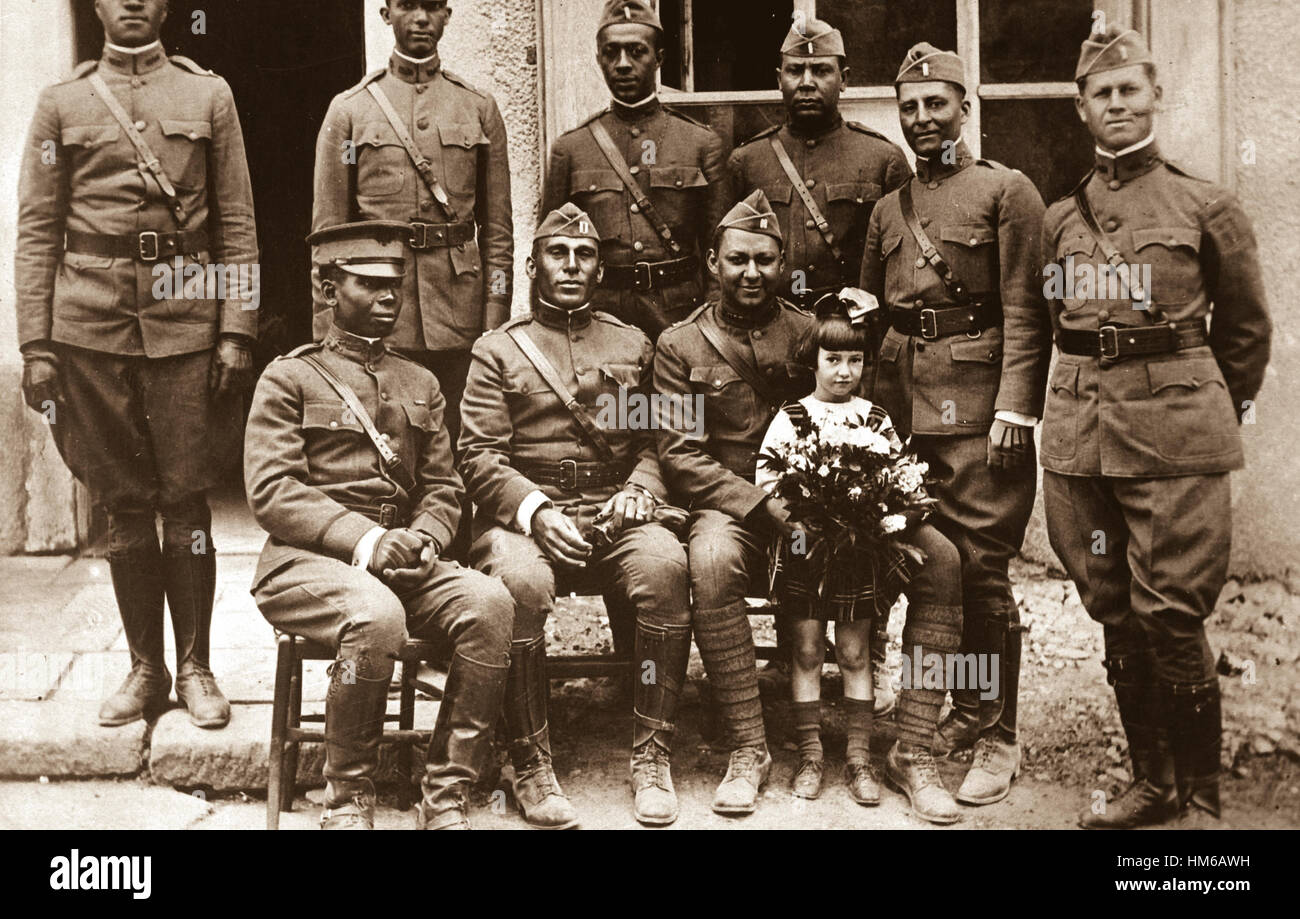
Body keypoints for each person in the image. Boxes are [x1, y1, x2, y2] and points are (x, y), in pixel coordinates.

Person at [1039, 28, 1271, 828]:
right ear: (1080, 108)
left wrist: (1202, 407)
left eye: (1128, 89)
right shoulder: (1060, 217)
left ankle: (1201, 798)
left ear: (1155, 94)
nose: (1115, 103)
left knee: (1171, 611)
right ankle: (1152, 782)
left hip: (1176, 438)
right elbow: (1049, 322)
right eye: (1100, 93)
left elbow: (1244, 331)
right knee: (1111, 605)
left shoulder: (1205, 204)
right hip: (1081, 438)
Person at [15, 0, 259, 729]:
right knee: (123, 502)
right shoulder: (62, 103)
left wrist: (236, 329)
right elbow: (36, 229)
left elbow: (237, 220)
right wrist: (36, 344)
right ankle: (144, 667)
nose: (130, 3)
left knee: (185, 501)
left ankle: (197, 666)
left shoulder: (207, 94)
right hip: (89, 329)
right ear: (96, 5)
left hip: (188, 323)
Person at [245, 221, 515, 830]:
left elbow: (445, 485)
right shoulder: (288, 378)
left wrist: (426, 537)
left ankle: (445, 793)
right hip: (305, 563)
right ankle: (347, 799)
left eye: (395, 284)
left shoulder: (419, 382)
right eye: (369, 284)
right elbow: (274, 491)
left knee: (491, 602)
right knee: (376, 615)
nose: (389, 296)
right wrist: (368, 540)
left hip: (406, 557)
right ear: (327, 287)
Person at [459, 204, 691, 828]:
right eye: (558, 255)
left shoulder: (631, 343)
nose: (571, 266)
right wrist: (533, 512)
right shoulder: (497, 350)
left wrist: (641, 486)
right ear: (534, 267)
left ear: (598, 267)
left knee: (666, 566)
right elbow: (477, 455)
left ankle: (652, 754)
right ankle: (530, 760)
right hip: (526, 516)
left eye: (584, 255)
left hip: (615, 509)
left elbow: (658, 440)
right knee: (520, 584)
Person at [859, 42, 1048, 805]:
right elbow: (869, 318)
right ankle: (939, 717)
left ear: (965, 107)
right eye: (908, 107)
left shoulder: (1008, 191)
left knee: (982, 573)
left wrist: (1015, 408)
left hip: (979, 418)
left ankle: (993, 729)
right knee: (926, 571)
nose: (922, 119)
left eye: (937, 104)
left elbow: (1027, 310)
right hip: (907, 416)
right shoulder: (887, 208)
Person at [726, 16, 912, 715]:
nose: (807, 81)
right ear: (778, 78)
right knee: (791, 499)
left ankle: (874, 645)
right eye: (795, 70)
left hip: (844, 356)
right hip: (773, 356)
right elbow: (729, 256)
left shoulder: (880, 160)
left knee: (867, 500)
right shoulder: (748, 162)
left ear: (844, 78)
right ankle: (792, 649)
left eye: (822, 69)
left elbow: (892, 277)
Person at [313, 0, 514, 558]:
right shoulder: (349, 112)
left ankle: (462, 592)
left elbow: (498, 231)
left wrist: (493, 326)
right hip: (382, 314)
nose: (419, 18)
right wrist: (328, 342)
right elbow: (327, 237)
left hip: (463, 314)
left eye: (431, 6)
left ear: (448, 15)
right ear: (385, 15)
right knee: (387, 457)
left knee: (460, 456)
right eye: (407, 5)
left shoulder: (478, 108)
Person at [756, 300, 963, 813]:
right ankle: (809, 756)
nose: (844, 372)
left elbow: (898, 475)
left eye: (855, 362)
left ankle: (858, 756)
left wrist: (880, 509)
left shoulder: (875, 417)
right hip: (806, 547)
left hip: (856, 554)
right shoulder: (794, 416)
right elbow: (766, 478)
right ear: (815, 362)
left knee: (852, 652)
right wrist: (800, 512)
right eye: (833, 360)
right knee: (805, 651)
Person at [653, 190, 815, 815]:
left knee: (932, 555)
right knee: (712, 558)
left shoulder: (808, 333)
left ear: (782, 264)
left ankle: (896, 746)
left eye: (766, 260)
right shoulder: (680, 344)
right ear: (712, 264)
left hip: (808, 497)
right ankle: (749, 746)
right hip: (730, 502)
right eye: (738, 260)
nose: (753, 273)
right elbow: (681, 454)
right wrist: (757, 503)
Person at [540, 0, 726, 341]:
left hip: (682, 315)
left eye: (636, 51)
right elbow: (546, 251)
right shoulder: (571, 149)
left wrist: (713, 327)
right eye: (611, 53)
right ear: (599, 60)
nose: (623, 64)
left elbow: (721, 250)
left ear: (660, 59)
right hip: (599, 318)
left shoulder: (701, 144)